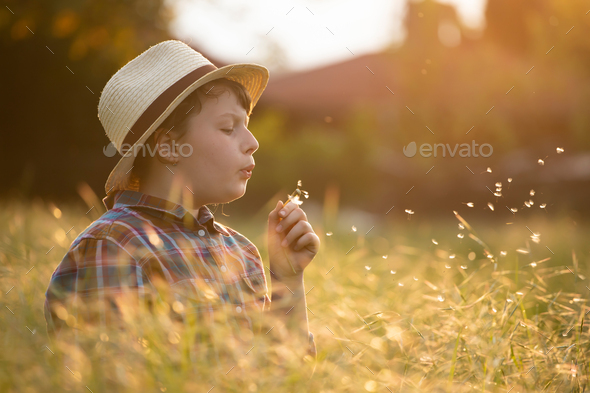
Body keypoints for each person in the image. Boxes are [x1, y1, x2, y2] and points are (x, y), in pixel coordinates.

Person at [44, 40, 319, 384]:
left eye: (245, 124)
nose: (252, 141)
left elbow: (285, 378)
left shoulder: (241, 252)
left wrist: (289, 279)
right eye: (228, 127)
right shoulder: (113, 247)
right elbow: (106, 380)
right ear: (169, 145)